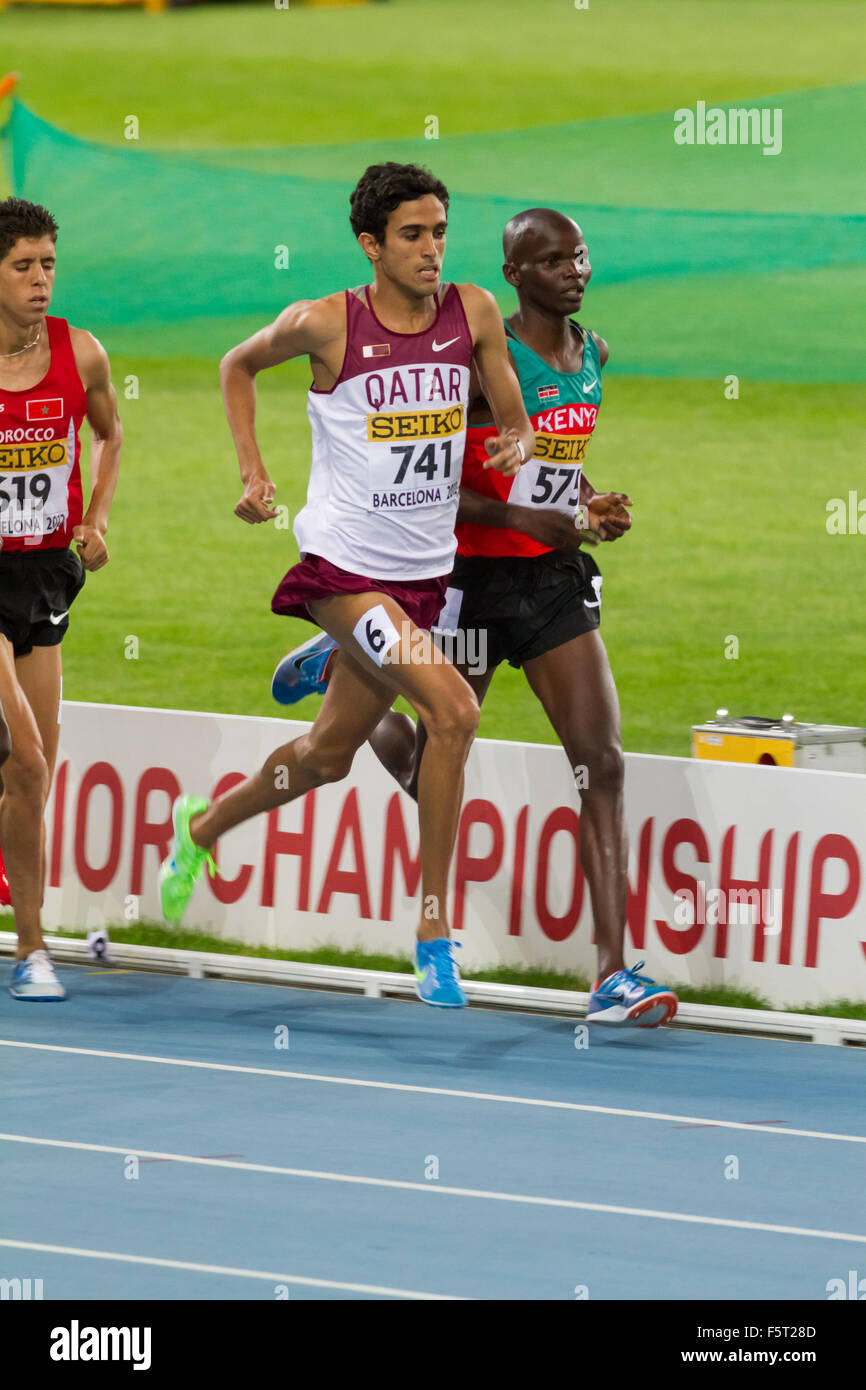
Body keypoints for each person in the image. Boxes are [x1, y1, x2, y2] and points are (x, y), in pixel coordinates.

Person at [274, 208, 678, 1028]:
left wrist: (587, 503)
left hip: (553, 585)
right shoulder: (468, 365)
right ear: (516, 277)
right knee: (430, 753)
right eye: (553, 260)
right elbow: (426, 482)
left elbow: (549, 463)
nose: (575, 270)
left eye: (581, 254)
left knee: (600, 761)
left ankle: (611, 976)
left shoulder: (591, 354)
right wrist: (523, 521)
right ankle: (349, 652)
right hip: (463, 578)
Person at [159, 163, 534, 1009]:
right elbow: (235, 365)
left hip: (421, 575)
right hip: (343, 566)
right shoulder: (327, 323)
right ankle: (434, 934)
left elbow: (511, 413)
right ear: (372, 245)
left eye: (440, 231)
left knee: (327, 758)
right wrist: (255, 475)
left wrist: (516, 439)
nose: (433, 249)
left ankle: (202, 828)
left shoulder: (472, 311)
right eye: (413, 235)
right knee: (453, 712)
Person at [0, 197, 122, 1001]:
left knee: (36, 771)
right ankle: (33, 950)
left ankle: (27, 929)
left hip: (43, 576)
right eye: (22, 267)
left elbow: (110, 433)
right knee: (28, 760)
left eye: (49, 264)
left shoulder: (82, 355)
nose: (41, 280)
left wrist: (96, 517)